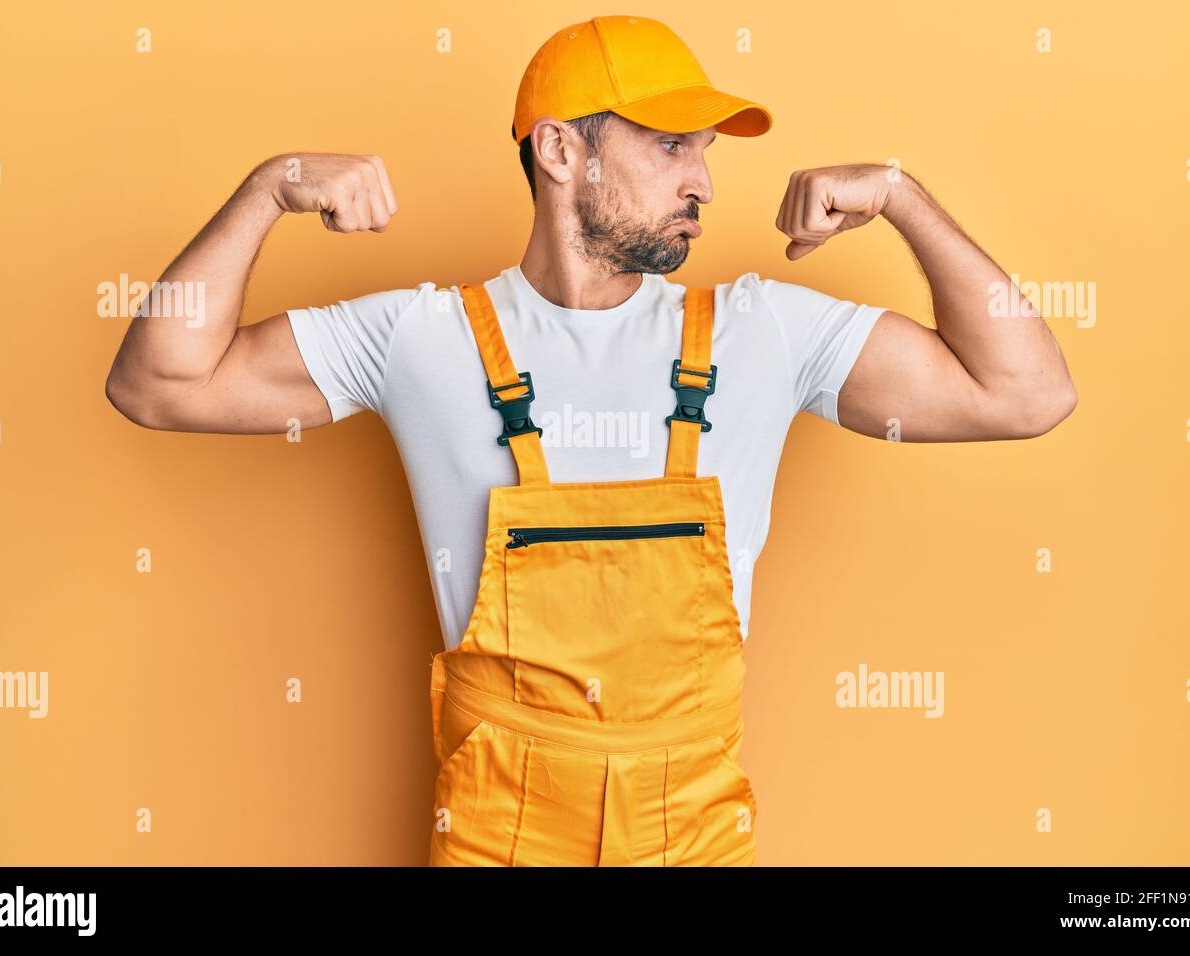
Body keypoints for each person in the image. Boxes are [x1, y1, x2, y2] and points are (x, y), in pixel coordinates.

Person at [104, 15, 1076, 866]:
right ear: (561, 151)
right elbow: (157, 379)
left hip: (693, 833)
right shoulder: (424, 338)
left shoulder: (763, 332)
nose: (700, 180)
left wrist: (902, 199)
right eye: (668, 146)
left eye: (704, 151)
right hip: (499, 833)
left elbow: (1024, 391)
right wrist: (268, 189)